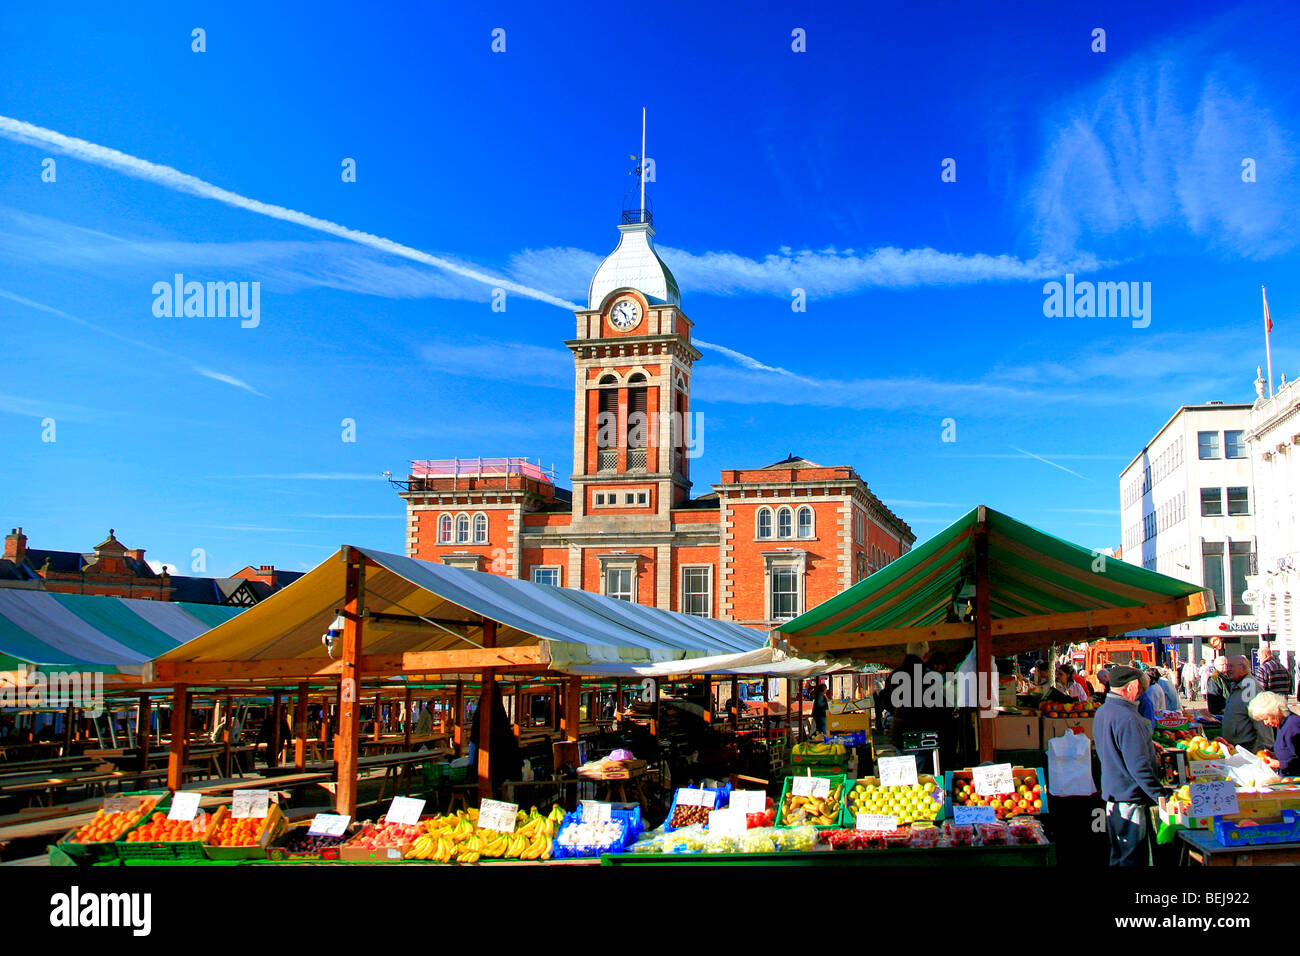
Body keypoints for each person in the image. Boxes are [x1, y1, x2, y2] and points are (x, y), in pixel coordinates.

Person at [1095, 665, 1170, 866]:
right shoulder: (1128, 717)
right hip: (1129, 796)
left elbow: (1114, 744)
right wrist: (1161, 795)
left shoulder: (1104, 711)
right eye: (1140, 689)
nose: (1140, 694)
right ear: (1132, 686)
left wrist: (1145, 742)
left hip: (1114, 793)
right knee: (1131, 858)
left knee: (1119, 855)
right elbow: (1139, 766)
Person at [1221, 656, 1274, 753]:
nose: (1227, 670)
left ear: (1243, 667)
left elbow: (1261, 720)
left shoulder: (1250, 687)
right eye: (1227, 666)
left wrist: (1265, 749)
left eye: (1231, 666)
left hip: (1248, 751)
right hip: (1236, 749)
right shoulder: (1236, 685)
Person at [1248, 692, 1300, 774]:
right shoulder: (1281, 725)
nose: (1266, 723)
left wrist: (1280, 764)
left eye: (1266, 719)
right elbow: (1289, 752)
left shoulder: (1293, 725)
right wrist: (1275, 755)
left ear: (1274, 712)